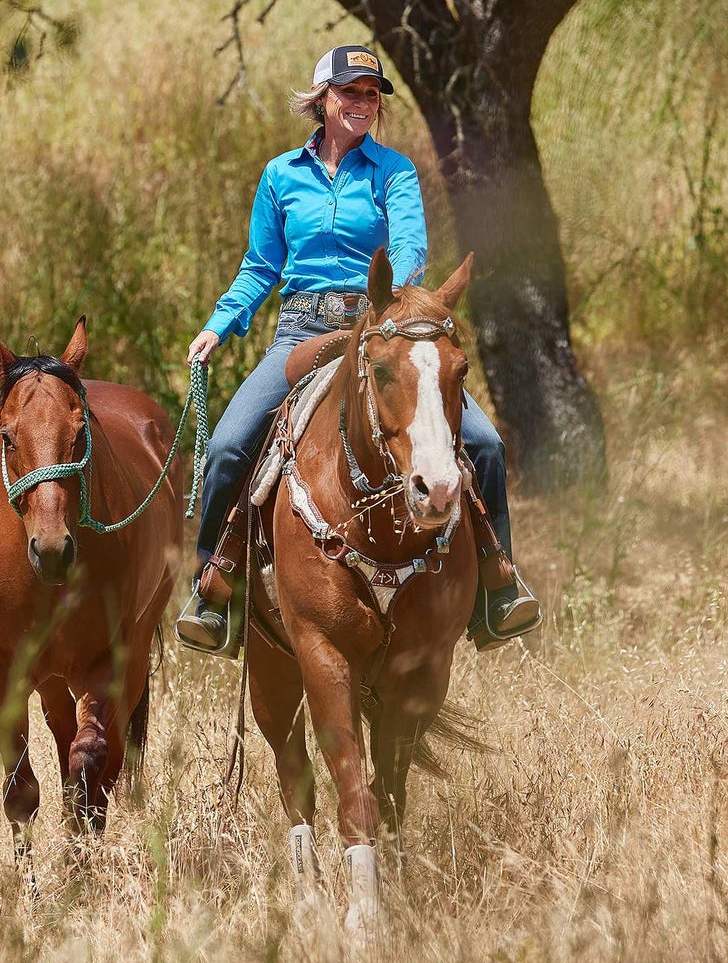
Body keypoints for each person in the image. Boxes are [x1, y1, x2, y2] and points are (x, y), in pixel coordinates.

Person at [176, 44, 540, 655]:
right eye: (350, 92)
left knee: (485, 444)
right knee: (229, 446)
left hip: (381, 331)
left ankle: (497, 589)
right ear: (322, 99)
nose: (363, 103)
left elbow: (410, 247)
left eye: (371, 94)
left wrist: (393, 299)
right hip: (301, 333)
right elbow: (261, 266)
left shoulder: (393, 172)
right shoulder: (281, 176)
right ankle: (213, 591)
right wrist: (219, 324)